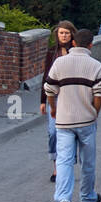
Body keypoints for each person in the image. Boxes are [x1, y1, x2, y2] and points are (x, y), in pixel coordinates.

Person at [43, 28, 101, 202]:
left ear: (74, 43)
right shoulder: (96, 66)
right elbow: (99, 94)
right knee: (88, 161)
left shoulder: (60, 63)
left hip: (64, 121)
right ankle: (87, 197)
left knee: (64, 160)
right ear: (91, 45)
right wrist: (94, 111)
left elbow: (49, 89)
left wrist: (54, 108)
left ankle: (62, 197)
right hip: (86, 120)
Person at [41, 20, 77, 183]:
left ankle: (67, 164)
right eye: (61, 33)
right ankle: (56, 167)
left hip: (71, 97)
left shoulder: (76, 52)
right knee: (53, 132)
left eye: (67, 33)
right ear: (57, 34)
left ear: (71, 35)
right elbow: (46, 76)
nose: (64, 36)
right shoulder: (51, 52)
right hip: (53, 97)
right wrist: (43, 100)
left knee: (71, 132)